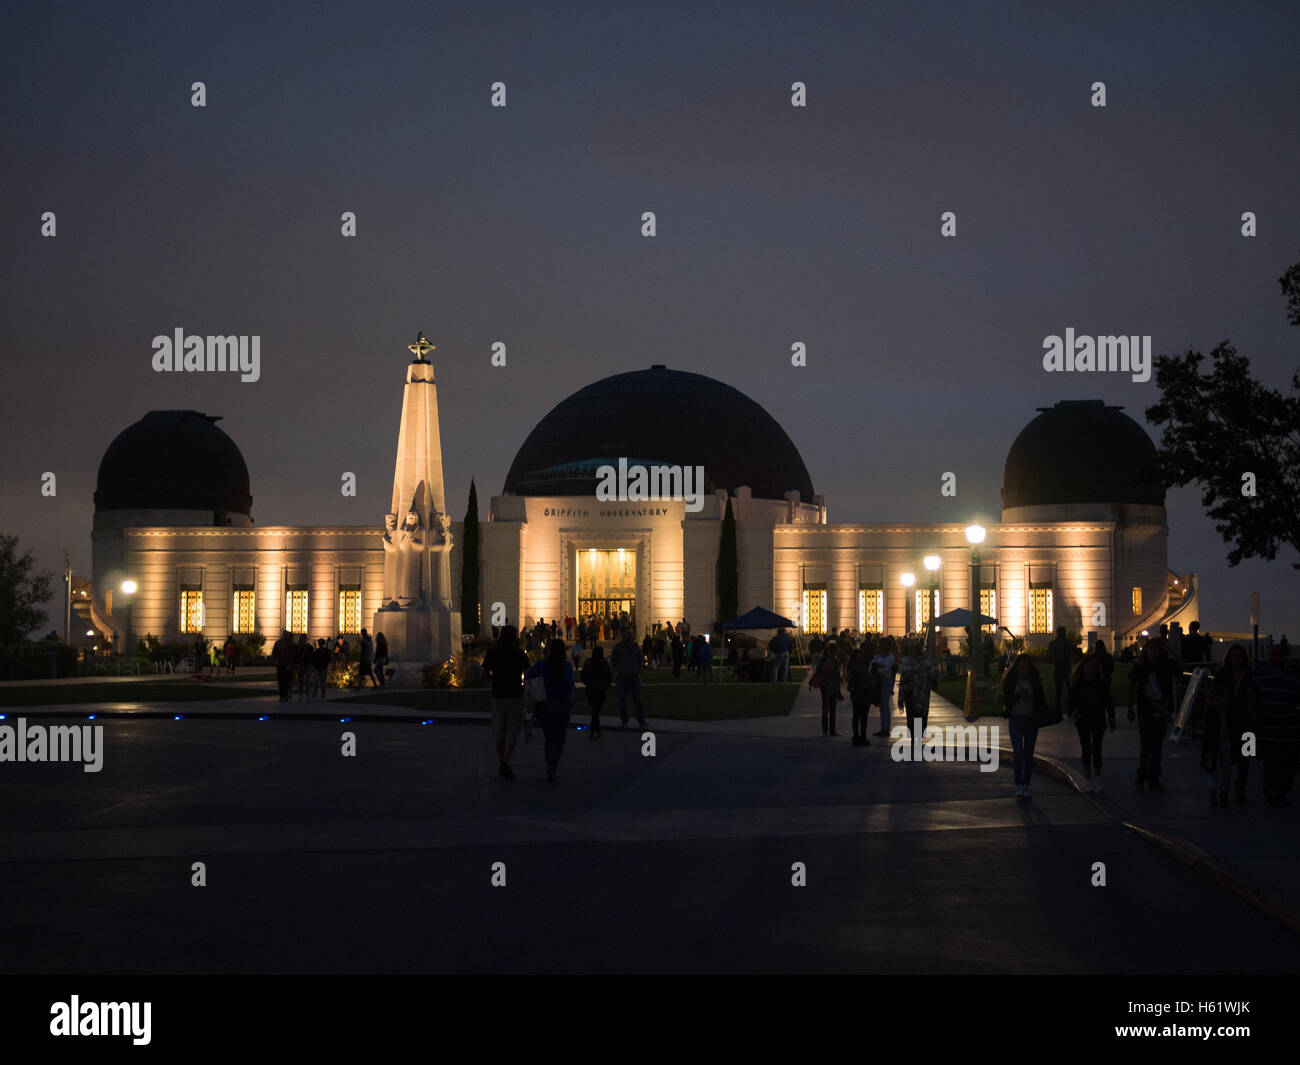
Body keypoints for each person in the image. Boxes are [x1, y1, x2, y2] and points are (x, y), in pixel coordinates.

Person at [1127, 638, 1179, 792]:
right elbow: (1132, 684)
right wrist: (1130, 707)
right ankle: (1144, 774)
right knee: (1146, 745)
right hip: (1145, 711)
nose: (1153, 652)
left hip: (1161, 712)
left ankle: (1152, 775)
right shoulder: (1142, 666)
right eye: (1150, 649)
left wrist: (1170, 650)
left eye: (1156, 649)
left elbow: (1183, 665)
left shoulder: (1167, 665)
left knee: (1156, 745)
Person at [481, 626, 530, 779]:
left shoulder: (493, 653)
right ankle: (505, 762)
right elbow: (528, 674)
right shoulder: (519, 654)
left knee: (500, 731)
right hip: (515, 695)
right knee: (513, 731)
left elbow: (484, 675)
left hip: (498, 696)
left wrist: (495, 679)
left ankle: (503, 761)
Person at [1255, 643, 1300, 807]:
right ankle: (1272, 790)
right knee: (1270, 762)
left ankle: (1280, 790)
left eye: (1277, 655)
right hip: (1268, 728)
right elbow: (1253, 698)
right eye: (1271, 655)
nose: (1273, 658)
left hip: (1288, 729)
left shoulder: (1293, 677)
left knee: (1288, 763)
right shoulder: (1261, 676)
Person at [525, 638, 576, 782]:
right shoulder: (565, 667)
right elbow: (569, 685)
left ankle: (549, 763)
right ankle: (552, 764)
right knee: (559, 739)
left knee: (549, 738)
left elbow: (528, 675)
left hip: (543, 707)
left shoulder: (542, 665)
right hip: (560, 706)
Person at [1213, 644, 1257, 802]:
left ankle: (1241, 786)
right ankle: (1226, 787)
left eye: (1239, 655)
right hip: (1228, 720)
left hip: (1246, 720)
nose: (1236, 659)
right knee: (1227, 756)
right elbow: (1214, 694)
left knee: (1246, 755)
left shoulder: (1250, 675)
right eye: (1234, 655)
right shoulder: (1223, 674)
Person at [1002, 653, 1047, 799]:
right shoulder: (1011, 681)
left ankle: (1026, 784)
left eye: (1026, 667)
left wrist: (1031, 696)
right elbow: (1007, 699)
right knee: (1018, 752)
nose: (1024, 670)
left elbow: (1041, 700)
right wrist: (1018, 695)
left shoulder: (1034, 682)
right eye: (1021, 667)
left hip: (1030, 720)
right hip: (1015, 719)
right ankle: (1018, 785)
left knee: (1028, 753)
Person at [1071, 653, 1115, 793]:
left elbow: (1108, 701)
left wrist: (1111, 718)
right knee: (1086, 748)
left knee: (1097, 747)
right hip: (1083, 719)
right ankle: (1087, 778)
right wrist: (1074, 712)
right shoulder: (1079, 683)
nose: (1090, 670)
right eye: (1088, 667)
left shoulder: (1101, 683)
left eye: (1093, 667)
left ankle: (1097, 776)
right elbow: (1073, 700)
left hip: (1098, 719)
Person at [1201, 684, 1236, 808]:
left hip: (1225, 744)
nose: (1218, 703)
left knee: (1226, 770)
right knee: (1213, 771)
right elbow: (1208, 734)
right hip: (1213, 746)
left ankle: (1223, 793)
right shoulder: (1212, 714)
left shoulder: (1228, 713)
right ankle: (1214, 793)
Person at [610, 627, 647, 728]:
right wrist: (618, 672)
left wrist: (639, 669)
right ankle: (624, 719)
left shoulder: (635, 646)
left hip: (634, 678)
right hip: (622, 678)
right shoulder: (618, 647)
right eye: (627, 634)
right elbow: (613, 661)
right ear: (622, 635)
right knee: (622, 702)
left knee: (638, 701)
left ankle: (641, 720)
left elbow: (640, 658)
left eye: (630, 633)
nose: (629, 636)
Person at [581, 644, 614, 737]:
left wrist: (588, 684)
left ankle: (597, 731)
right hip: (600, 690)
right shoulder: (604, 664)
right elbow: (609, 677)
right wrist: (605, 686)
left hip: (590, 690)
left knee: (595, 711)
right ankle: (593, 731)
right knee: (596, 711)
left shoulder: (588, 663)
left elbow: (583, 677)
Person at [847, 647, 874, 746]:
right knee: (858, 716)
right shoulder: (854, 669)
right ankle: (857, 736)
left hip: (864, 694)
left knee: (862, 717)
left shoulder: (865, 667)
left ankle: (862, 736)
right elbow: (851, 684)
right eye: (859, 656)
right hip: (858, 694)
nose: (861, 657)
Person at [813, 645, 842, 735]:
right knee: (828, 709)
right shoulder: (826, 660)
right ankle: (828, 730)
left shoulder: (830, 660)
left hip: (829, 686)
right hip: (827, 686)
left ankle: (829, 730)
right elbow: (820, 672)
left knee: (830, 709)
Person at [871, 638, 897, 736]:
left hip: (885, 681)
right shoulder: (878, 656)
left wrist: (877, 669)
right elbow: (871, 667)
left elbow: (885, 669)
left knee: (885, 705)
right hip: (878, 682)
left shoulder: (890, 656)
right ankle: (883, 728)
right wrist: (878, 668)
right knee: (881, 706)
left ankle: (886, 729)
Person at [1048, 626, 1072, 712]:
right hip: (1066, 669)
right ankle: (1070, 710)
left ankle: (1058, 711)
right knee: (1069, 691)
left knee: (1058, 692)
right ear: (1064, 633)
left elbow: (1049, 656)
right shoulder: (1068, 643)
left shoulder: (1053, 644)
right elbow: (1075, 652)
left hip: (1057, 669)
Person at [271, 630, 295, 702]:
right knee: (280, 681)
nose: (285, 635)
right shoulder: (278, 643)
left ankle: (285, 695)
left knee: (286, 681)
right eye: (284, 634)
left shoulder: (290, 644)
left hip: (287, 665)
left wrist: (290, 664)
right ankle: (282, 696)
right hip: (280, 665)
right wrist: (275, 660)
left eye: (286, 634)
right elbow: (274, 652)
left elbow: (292, 655)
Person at [295, 633, 313, 700]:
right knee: (301, 681)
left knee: (307, 681)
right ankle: (301, 695)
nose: (303, 640)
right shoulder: (298, 647)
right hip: (301, 665)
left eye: (304, 638)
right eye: (302, 638)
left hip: (308, 665)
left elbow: (312, 657)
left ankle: (307, 695)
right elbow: (296, 657)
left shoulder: (309, 647)